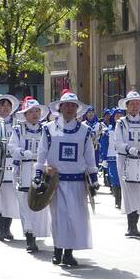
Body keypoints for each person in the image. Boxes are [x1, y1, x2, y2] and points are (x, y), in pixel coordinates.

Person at [37, 91, 97, 267]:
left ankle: (69, 253)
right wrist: (39, 176)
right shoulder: (48, 129)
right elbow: (41, 154)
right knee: (59, 216)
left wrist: (93, 179)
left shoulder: (85, 131)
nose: (70, 108)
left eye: (73, 105)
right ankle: (58, 250)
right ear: (60, 107)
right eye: (67, 105)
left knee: (74, 217)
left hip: (77, 182)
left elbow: (90, 157)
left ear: (77, 109)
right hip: (56, 182)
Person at [110, 91, 140, 238]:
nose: (135, 106)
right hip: (126, 159)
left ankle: (136, 223)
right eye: (132, 103)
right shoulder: (121, 123)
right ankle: (131, 225)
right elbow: (117, 142)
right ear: (127, 106)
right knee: (129, 191)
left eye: (137, 103)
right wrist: (128, 148)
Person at [11, 99, 51, 254]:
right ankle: (29, 236)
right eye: (31, 112)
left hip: (41, 168)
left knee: (40, 200)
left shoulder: (46, 129)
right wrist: (22, 153)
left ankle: (37, 232)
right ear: (25, 114)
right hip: (25, 167)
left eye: (37, 111)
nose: (35, 115)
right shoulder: (18, 129)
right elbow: (12, 146)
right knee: (25, 202)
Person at [0, 94, 21, 243]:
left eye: (8, 105)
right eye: (2, 105)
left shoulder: (17, 124)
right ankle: (0, 230)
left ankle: (7, 229)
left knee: (10, 199)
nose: (5, 108)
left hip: (12, 166)